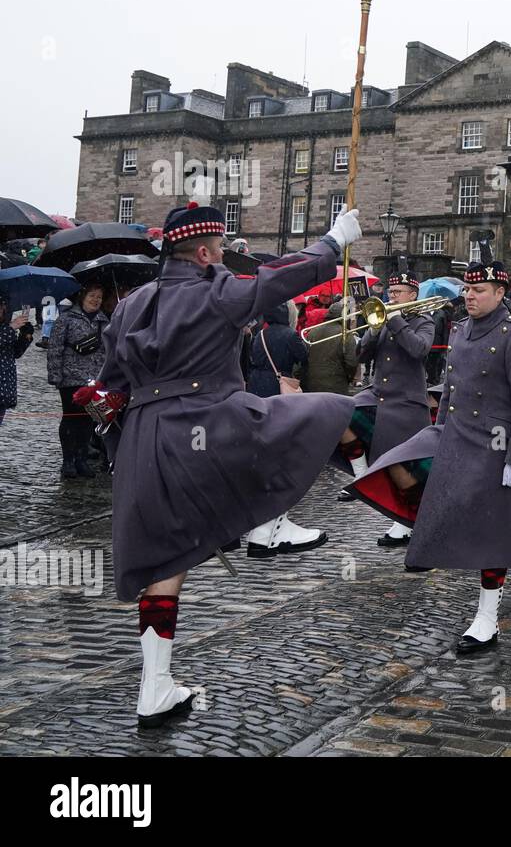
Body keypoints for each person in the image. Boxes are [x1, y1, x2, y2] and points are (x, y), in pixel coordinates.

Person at [85, 200, 361, 727]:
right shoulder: (215, 290)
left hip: (145, 441)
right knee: (329, 409)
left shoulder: (130, 305)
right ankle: (334, 493)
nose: (224, 261)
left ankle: (156, 687)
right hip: (208, 427)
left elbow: (111, 382)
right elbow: (277, 279)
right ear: (207, 251)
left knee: (165, 563)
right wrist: (333, 241)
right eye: (221, 253)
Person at [345, 244, 511, 654]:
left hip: (496, 445)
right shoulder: (461, 329)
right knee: (399, 467)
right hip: (454, 435)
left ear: (500, 292)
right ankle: (425, 541)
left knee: (495, 533)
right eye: (468, 290)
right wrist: (437, 431)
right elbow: (451, 388)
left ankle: (487, 618)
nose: (469, 296)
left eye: (480, 290)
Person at [334, 272, 440, 548]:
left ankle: (404, 523)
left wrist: (394, 321)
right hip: (377, 395)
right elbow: (362, 356)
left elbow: (419, 350)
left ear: (412, 295)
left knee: (401, 468)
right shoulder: (381, 320)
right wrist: (372, 328)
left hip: (406, 402)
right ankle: (361, 473)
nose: (391, 297)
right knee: (340, 415)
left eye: (397, 293)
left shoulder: (423, 321)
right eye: (390, 292)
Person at [47, 283, 109, 478]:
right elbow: (55, 349)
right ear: (82, 297)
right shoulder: (66, 319)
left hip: (94, 379)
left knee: (88, 420)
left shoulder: (103, 321)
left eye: (99, 297)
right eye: (92, 295)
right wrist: (55, 375)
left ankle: (82, 459)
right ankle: (68, 461)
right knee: (71, 418)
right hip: (70, 377)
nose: (96, 300)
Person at [246, 301, 308, 399]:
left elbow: (253, 356)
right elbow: (303, 356)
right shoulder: (291, 334)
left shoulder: (260, 334)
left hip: (256, 382)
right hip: (278, 383)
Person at [302, 300, 360, 395]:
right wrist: (349, 378)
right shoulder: (346, 335)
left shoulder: (312, 331)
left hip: (312, 385)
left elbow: (303, 357)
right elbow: (352, 362)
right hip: (336, 386)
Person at [0, 293, 35, 426]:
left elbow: (15, 353)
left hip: (4, 388)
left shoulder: (4, 327)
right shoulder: (7, 328)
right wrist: (11, 328)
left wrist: (25, 335)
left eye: (2, 307)